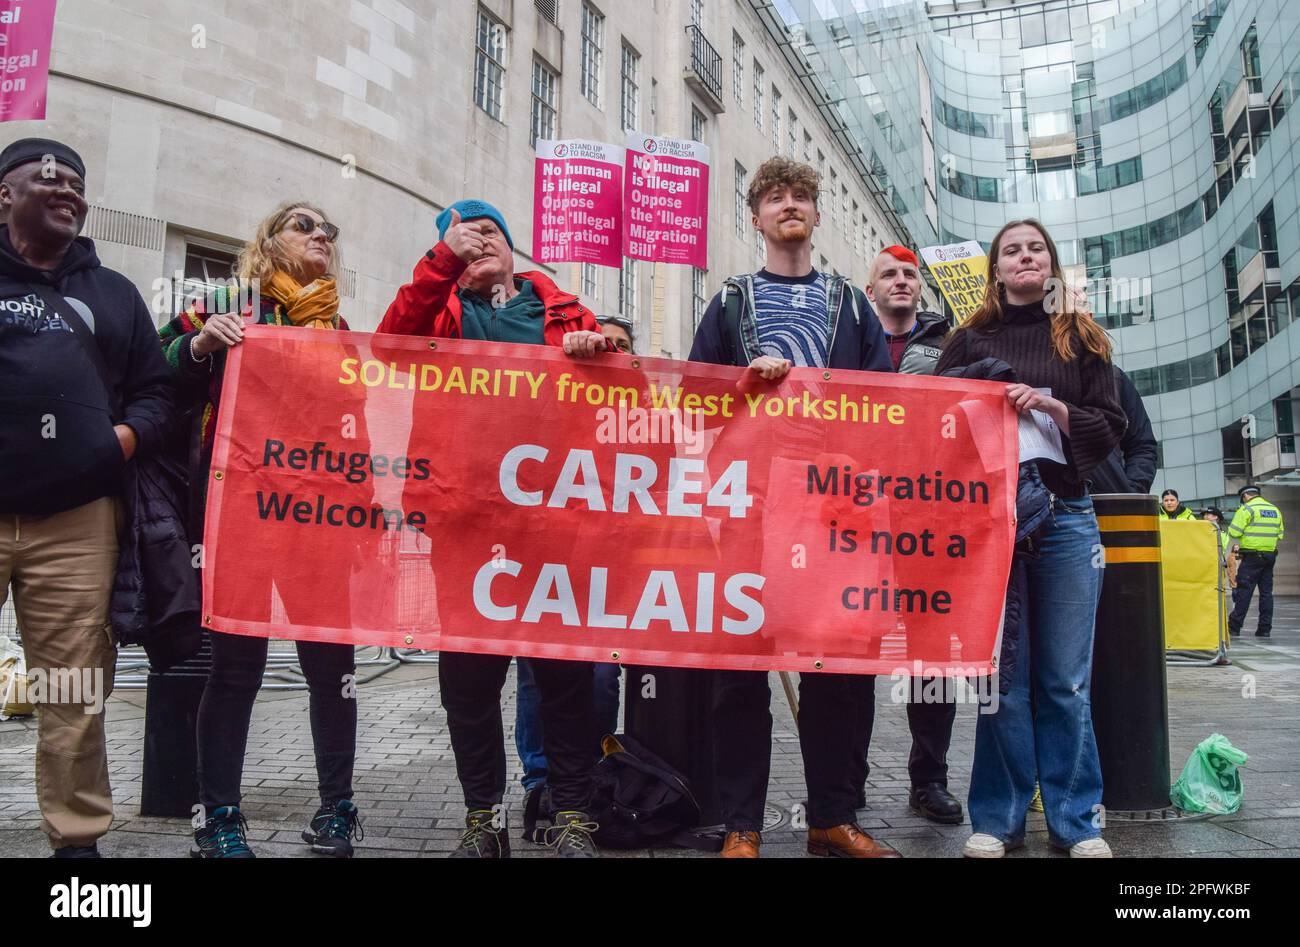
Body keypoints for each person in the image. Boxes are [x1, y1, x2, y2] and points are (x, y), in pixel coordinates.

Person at [377, 198, 610, 857]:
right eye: (461, 241)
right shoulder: (440, 314)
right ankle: (483, 818)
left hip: (555, 525)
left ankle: (571, 815)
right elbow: (387, 345)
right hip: (465, 523)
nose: (478, 245)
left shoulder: (559, 309)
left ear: (512, 247)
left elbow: (623, 382)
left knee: (566, 680)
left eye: (489, 235)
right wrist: (442, 260)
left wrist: (600, 350)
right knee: (469, 683)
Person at [688, 156, 898, 859]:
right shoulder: (729, 302)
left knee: (839, 667)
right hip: (749, 507)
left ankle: (830, 818)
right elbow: (696, 404)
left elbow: (887, 407)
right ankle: (742, 823)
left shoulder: (849, 302)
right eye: (775, 197)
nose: (789, 205)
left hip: (834, 510)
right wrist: (742, 388)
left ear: (816, 213)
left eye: (801, 196)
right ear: (756, 217)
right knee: (740, 671)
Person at [160, 201, 364, 858]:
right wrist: (198, 345)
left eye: (328, 229)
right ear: (269, 241)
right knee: (236, 669)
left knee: (332, 667)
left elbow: (356, 424)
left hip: (321, 520)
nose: (321, 236)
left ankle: (337, 808)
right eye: (304, 225)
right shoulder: (227, 304)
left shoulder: (337, 326)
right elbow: (155, 370)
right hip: (239, 515)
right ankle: (218, 815)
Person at [0, 138, 172, 858]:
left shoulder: (114, 293)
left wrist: (116, 443)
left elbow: (156, 393)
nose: (66, 189)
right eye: (48, 179)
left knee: (72, 685)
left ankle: (76, 845)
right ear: (4, 195)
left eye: (76, 181)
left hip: (77, 520)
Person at [936, 218, 1125, 859]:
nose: (1025, 257)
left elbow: (1112, 425)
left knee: (1066, 681)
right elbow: (931, 419)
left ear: (1050, 264)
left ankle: (1078, 822)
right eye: (1012, 249)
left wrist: (1052, 408)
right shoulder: (967, 339)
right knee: (1004, 679)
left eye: (1035, 248)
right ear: (995, 268)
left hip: (1068, 516)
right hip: (990, 523)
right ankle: (998, 818)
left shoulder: (1082, 338)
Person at [852, 244, 962, 826]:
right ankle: (848, 778)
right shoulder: (843, 339)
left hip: (928, 523)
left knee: (931, 658)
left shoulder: (951, 346)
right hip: (856, 521)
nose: (901, 281)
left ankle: (930, 779)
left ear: (920, 287)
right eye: (888, 274)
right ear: (870, 290)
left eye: (909, 274)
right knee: (853, 653)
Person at [1226, 485, 1285, 638]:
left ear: (1244, 496)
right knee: (1266, 593)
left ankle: (1234, 627)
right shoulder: (1275, 510)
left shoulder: (1247, 509)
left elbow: (1233, 531)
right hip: (1270, 556)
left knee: (1244, 592)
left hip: (1252, 557)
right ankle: (1264, 629)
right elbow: (1280, 534)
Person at [1088, 366, 1157, 495]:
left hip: (1111, 505)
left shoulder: (1114, 378)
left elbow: (1141, 445)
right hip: (1044, 506)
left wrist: (1132, 491)